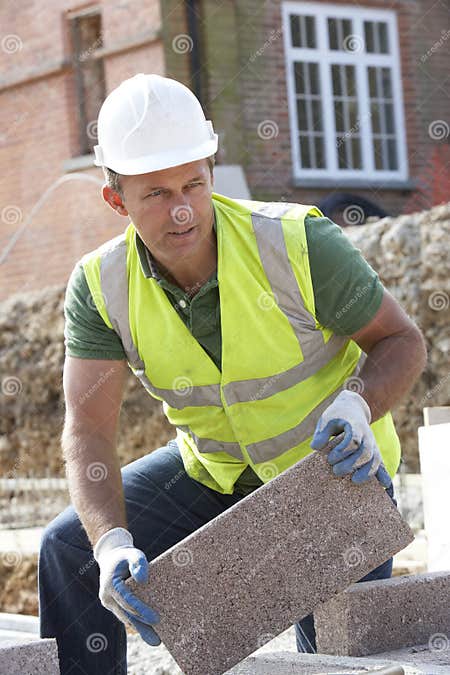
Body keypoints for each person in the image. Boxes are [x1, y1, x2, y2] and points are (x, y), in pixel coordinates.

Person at [39, 73, 427, 674]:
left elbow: (402, 341)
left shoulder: (296, 242)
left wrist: (357, 404)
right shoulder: (100, 284)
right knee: (68, 548)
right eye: (157, 193)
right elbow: (88, 429)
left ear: (212, 168)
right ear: (117, 200)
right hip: (215, 472)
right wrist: (112, 543)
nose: (184, 209)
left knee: (324, 658)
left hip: (332, 477)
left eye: (194, 181)